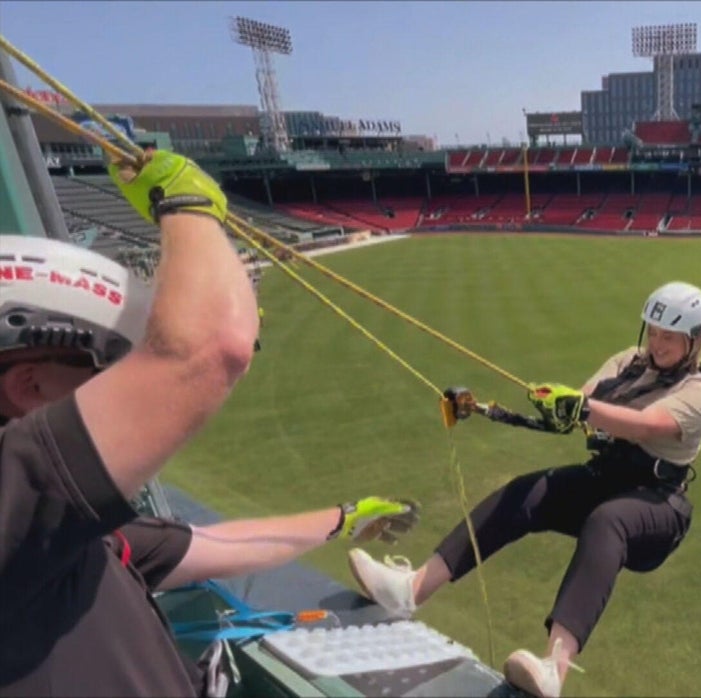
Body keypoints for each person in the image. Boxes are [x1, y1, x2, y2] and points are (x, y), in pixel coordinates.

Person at [0, 151, 418, 697]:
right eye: (112, 367)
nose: (126, 384)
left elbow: (212, 545)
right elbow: (213, 346)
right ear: (28, 387)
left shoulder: (57, 533)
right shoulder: (14, 500)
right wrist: (187, 201)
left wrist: (342, 519)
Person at [347, 281, 701, 698]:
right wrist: (557, 404)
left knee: (607, 521)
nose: (658, 342)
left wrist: (585, 408)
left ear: (696, 339)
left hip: (658, 506)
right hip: (606, 480)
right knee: (526, 493)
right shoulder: (627, 361)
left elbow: (647, 425)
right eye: (653, 331)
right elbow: (582, 404)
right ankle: (411, 590)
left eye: (669, 336)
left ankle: (553, 671)